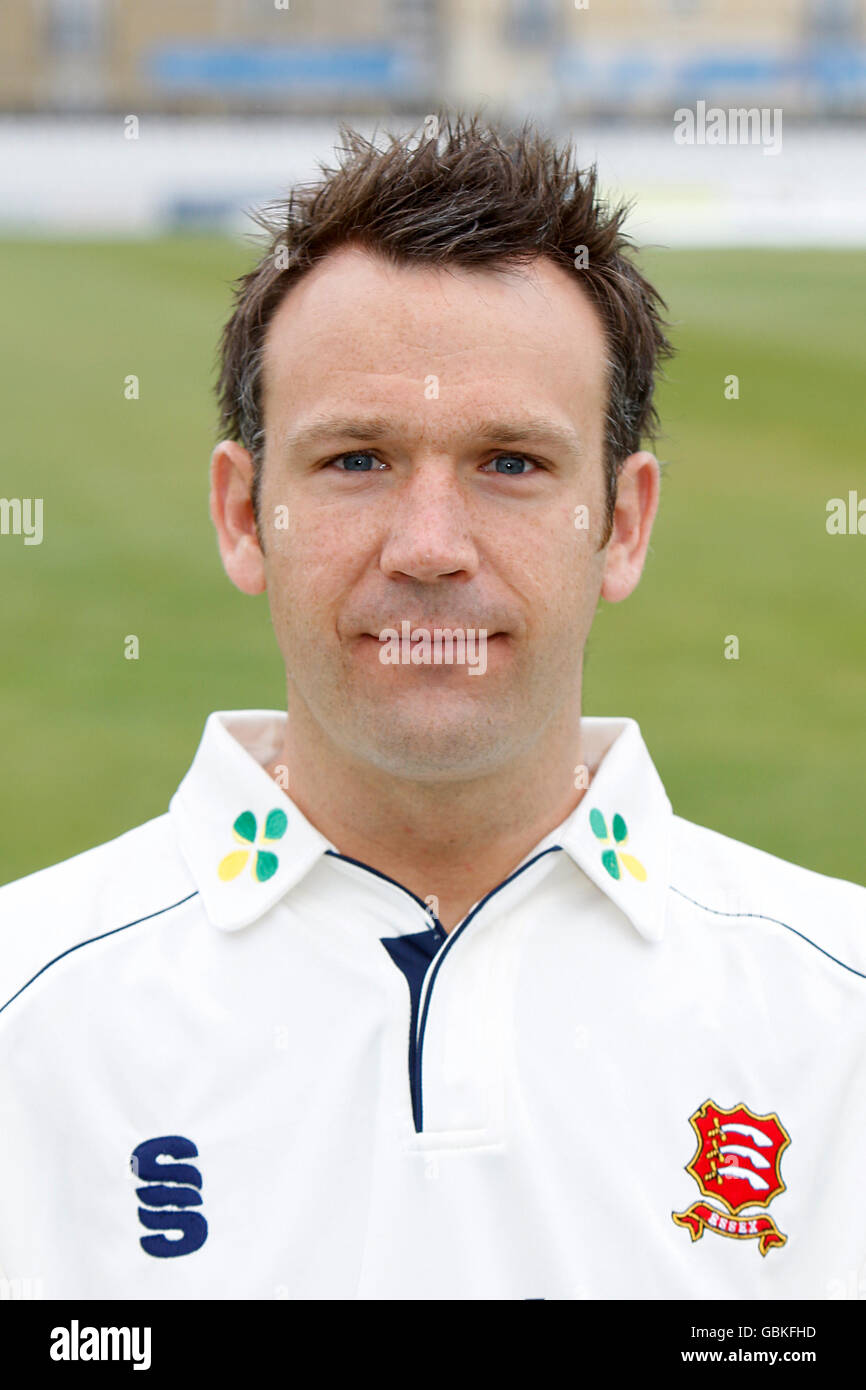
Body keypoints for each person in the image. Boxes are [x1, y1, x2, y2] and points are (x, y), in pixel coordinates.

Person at [1, 112, 863, 1300]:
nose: (429, 546)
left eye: (510, 463)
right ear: (244, 515)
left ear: (621, 523)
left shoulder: (839, 1020)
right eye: (355, 459)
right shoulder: (25, 1015)